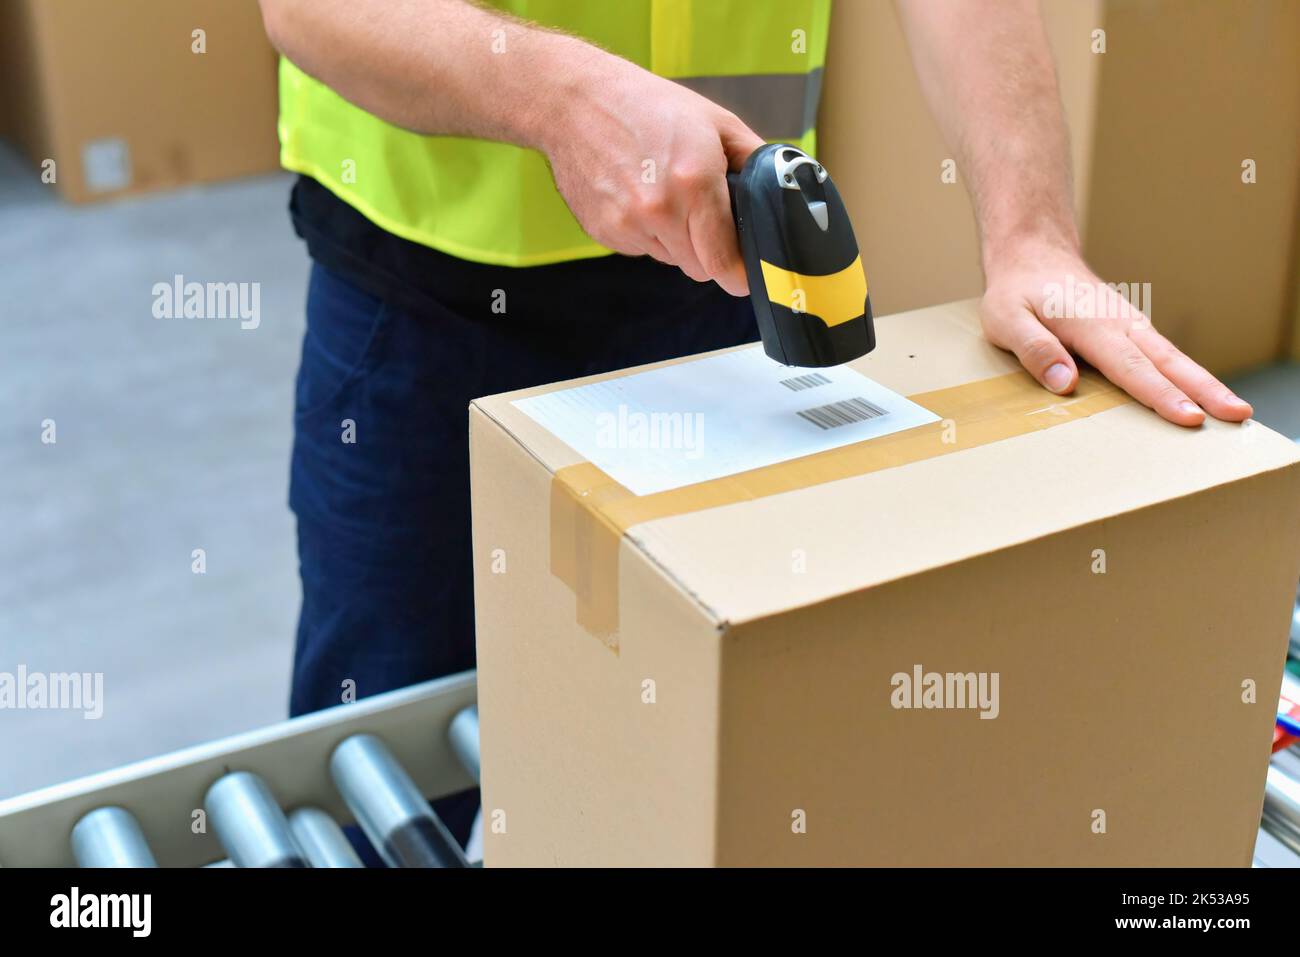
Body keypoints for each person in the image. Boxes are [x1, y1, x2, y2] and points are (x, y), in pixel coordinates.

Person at [257, 0, 1251, 780]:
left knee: (683, 735)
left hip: (718, 285)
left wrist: (1032, 235)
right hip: (424, 294)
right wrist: (559, 96)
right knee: (387, 739)